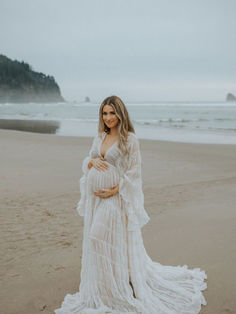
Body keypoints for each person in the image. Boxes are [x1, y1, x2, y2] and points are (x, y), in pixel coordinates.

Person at [55, 95, 207, 314]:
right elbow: (89, 159)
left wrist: (115, 190)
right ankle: (106, 285)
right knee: (103, 240)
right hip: (96, 199)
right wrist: (91, 161)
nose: (108, 118)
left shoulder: (130, 139)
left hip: (116, 199)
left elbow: (135, 172)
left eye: (112, 113)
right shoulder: (100, 136)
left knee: (99, 237)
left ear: (120, 113)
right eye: (104, 113)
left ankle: (115, 290)